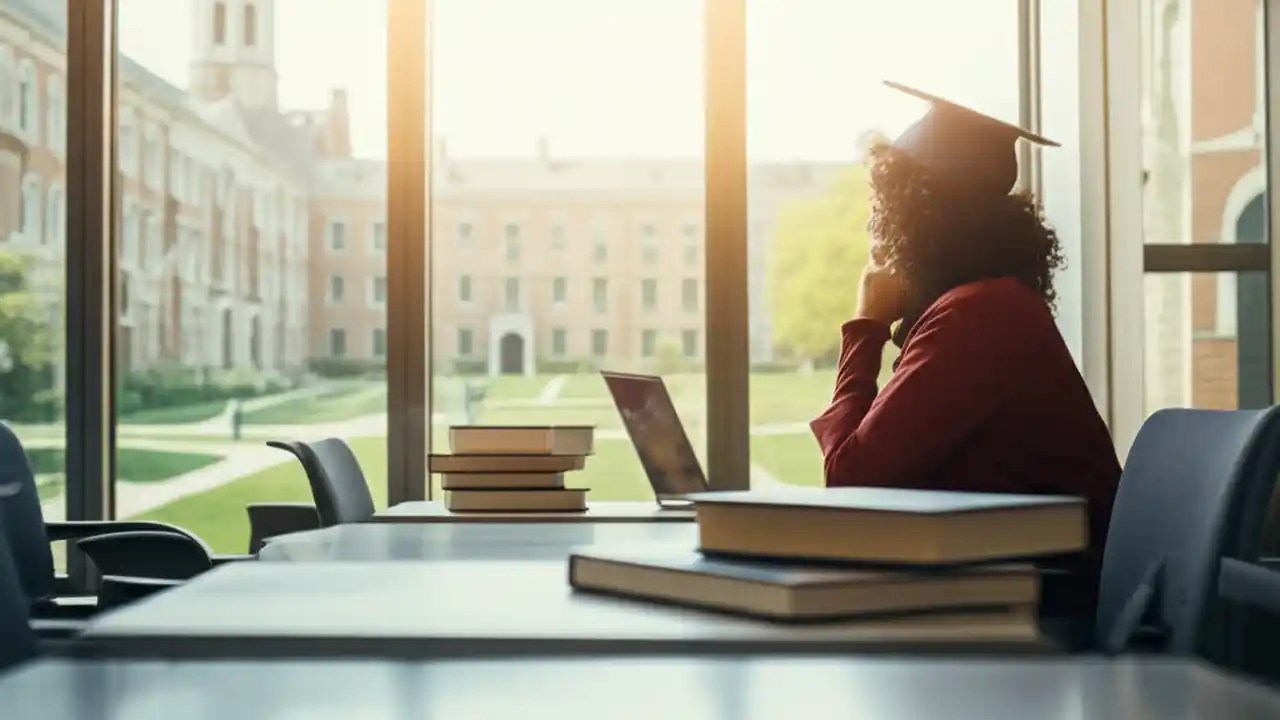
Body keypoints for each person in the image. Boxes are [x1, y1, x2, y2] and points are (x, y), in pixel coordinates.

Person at [811, 82, 1121, 603]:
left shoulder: (979, 316)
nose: (873, 229)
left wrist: (865, 327)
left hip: (1047, 600)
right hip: (1010, 575)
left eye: (883, 212)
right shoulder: (987, 306)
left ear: (920, 223)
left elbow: (851, 481)